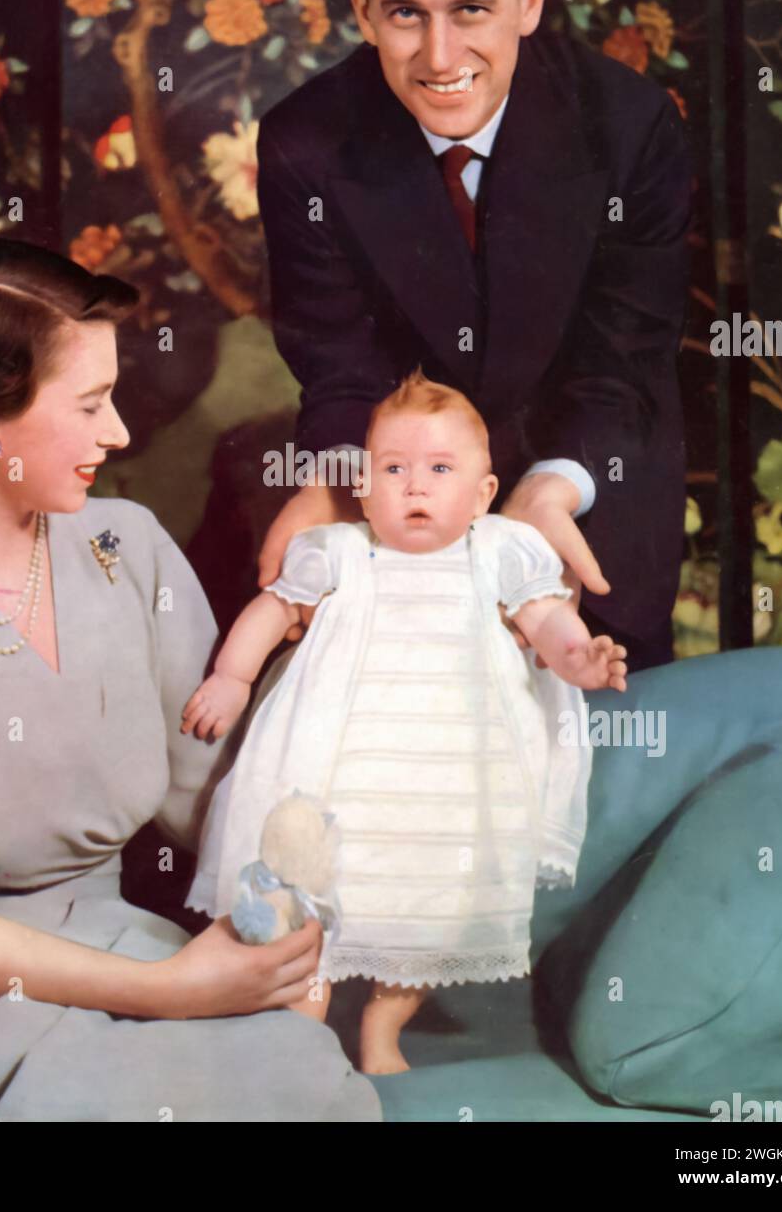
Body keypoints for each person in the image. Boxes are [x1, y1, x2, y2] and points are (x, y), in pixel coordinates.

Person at [0, 239, 380, 1122]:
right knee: (103, 1099)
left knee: (300, 1078)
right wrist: (175, 991)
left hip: (111, 940)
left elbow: (219, 787)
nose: (121, 433)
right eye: (92, 403)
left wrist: (293, 908)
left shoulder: (126, 545)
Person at [256, 0, 692, 672]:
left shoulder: (631, 127)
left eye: (471, 9)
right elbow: (340, 368)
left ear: (528, 0)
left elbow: (623, 364)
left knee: (602, 767)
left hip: (587, 496)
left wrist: (548, 489)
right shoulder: (302, 143)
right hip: (402, 508)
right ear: (360, 10)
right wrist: (338, 482)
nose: (439, 53)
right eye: (406, 15)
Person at [182, 370, 628, 1075]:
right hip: (344, 775)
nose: (415, 487)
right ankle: (302, 1033)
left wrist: (583, 660)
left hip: (450, 787)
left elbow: (548, 623)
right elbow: (274, 610)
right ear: (363, 486)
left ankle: (383, 1031)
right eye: (394, 469)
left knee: (437, 916)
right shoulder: (341, 553)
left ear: (485, 494)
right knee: (311, 899)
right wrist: (231, 678)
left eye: (440, 470)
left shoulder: (499, 553)